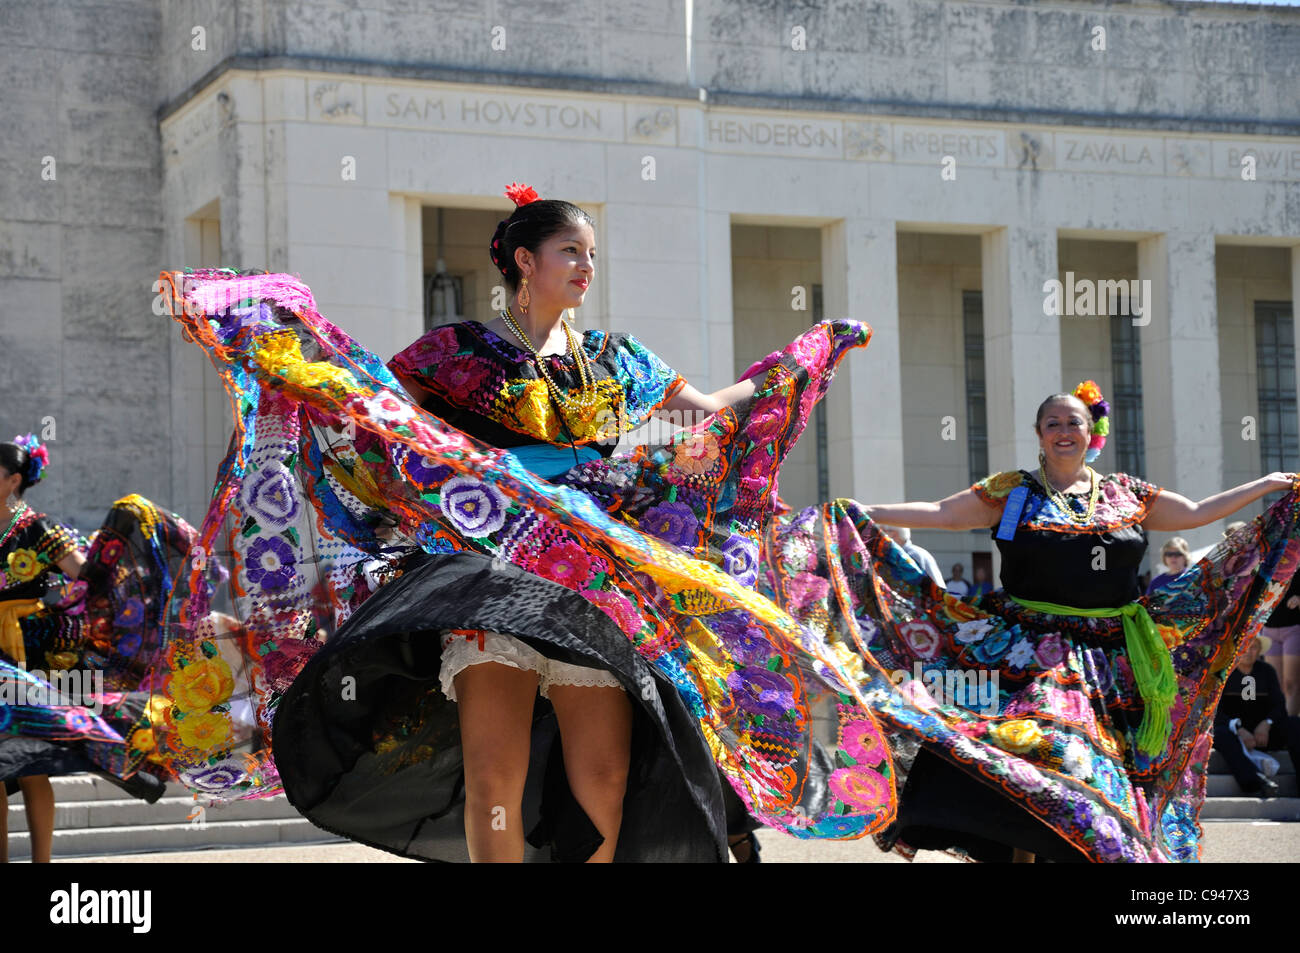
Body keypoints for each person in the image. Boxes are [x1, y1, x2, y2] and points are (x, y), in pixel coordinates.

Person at [157, 183, 893, 863]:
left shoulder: (616, 361)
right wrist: (284, 334)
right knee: (493, 778)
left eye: (592, 254)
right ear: (522, 259)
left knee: (602, 775)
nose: (586, 266)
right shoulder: (455, 352)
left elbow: (700, 417)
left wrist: (794, 364)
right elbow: (369, 404)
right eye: (571, 250)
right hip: (487, 580)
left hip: (590, 586)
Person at [769, 379, 1299, 862]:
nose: (1064, 431)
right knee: (1047, 749)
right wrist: (864, 511)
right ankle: (1021, 850)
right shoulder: (1015, 492)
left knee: (1108, 775)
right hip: (1028, 653)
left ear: (1092, 433)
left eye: (1074, 422)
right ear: (1039, 436)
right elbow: (942, 514)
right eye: (1053, 423)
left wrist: (1268, 484)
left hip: (1114, 662)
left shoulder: (1124, 493)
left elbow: (1197, 512)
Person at [0, 437, 178, 861]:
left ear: (13, 481)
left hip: (32, 656)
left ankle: (41, 861)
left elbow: (88, 577)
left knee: (29, 767)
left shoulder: (38, 528)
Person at [1212, 634, 1300, 798]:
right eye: (1245, 646)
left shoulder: (1267, 671)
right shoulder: (1224, 673)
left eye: (1253, 647)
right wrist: (1239, 729)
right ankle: (1254, 782)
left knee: (1295, 724)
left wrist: (1266, 724)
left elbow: (1279, 706)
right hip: (1235, 736)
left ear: (1260, 651)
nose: (1249, 651)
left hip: (1263, 736)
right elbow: (1216, 712)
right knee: (1220, 734)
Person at [1262, 574, 1300, 716]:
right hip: (1269, 628)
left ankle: (1290, 726)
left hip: (1294, 628)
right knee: (1276, 687)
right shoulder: (1271, 557)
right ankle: (1278, 725)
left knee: (1291, 685)